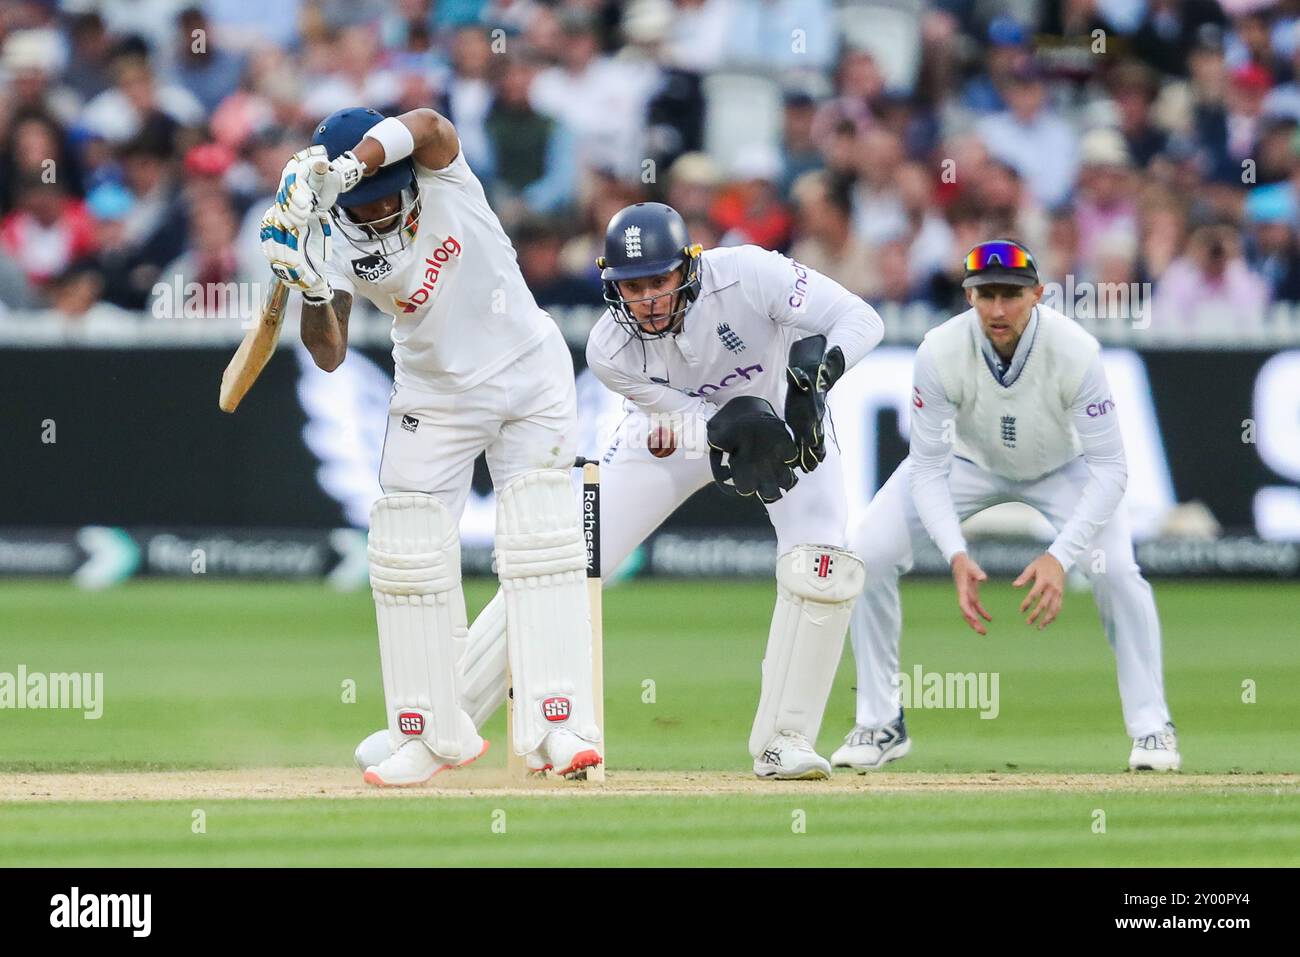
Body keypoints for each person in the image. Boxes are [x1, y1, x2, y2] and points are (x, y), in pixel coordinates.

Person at [356, 202, 886, 779]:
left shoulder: (749, 272)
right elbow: (695, 421)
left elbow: (862, 319)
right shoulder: (609, 349)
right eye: (632, 287)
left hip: (790, 423)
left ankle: (785, 740)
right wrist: (728, 425)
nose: (649, 299)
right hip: (673, 435)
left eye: (659, 281)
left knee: (822, 566)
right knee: (559, 567)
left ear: (690, 267)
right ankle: (440, 725)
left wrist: (819, 383)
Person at [257, 105, 602, 785]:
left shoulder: (443, 175)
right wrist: (311, 284)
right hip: (434, 397)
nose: (379, 212)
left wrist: (357, 165)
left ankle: (560, 726)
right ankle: (429, 730)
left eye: (386, 195)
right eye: (363, 205)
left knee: (540, 540)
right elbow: (327, 355)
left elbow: (429, 121)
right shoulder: (331, 237)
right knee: (406, 547)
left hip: (528, 375)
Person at [838, 239, 1180, 773]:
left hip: (1065, 468)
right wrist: (954, 552)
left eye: (1012, 295)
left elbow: (1112, 469)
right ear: (969, 295)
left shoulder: (1076, 351)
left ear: (1038, 294)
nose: (998, 310)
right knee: (866, 553)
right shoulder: (939, 349)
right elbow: (926, 467)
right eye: (986, 294)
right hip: (964, 462)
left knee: (1116, 571)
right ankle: (880, 721)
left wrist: (1058, 557)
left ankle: (1152, 728)